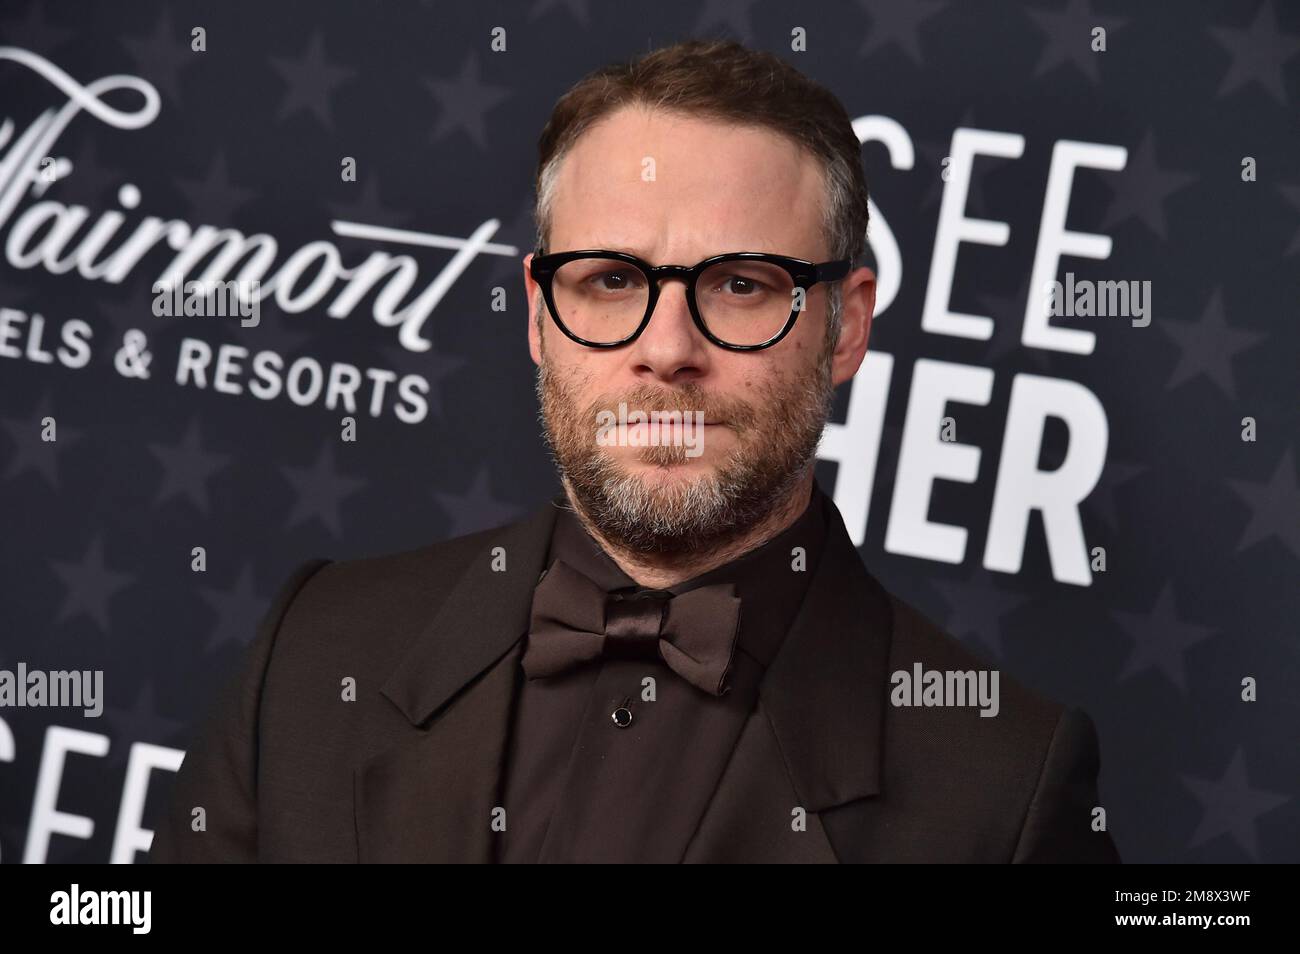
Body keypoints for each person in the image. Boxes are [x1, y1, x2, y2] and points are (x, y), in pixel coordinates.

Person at [149, 38, 1120, 863]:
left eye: (741, 284)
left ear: (844, 325)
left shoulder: (1002, 786)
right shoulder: (316, 651)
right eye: (611, 280)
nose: (666, 350)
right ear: (538, 315)